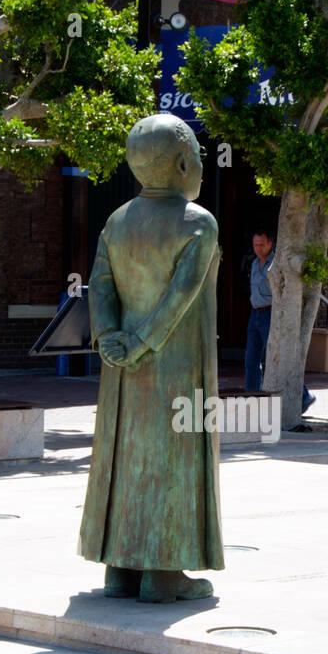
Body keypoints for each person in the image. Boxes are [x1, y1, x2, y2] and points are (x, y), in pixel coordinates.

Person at [79, 114, 223, 603]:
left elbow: (98, 285)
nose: (201, 164)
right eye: (199, 157)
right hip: (174, 364)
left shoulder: (117, 221)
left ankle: (121, 565)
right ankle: (163, 572)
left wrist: (108, 338)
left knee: (125, 454)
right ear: (184, 161)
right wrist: (141, 343)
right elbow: (180, 298)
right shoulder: (198, 222)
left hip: (121, 366)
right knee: (172, 455)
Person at [243, 229, 314, 413]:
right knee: (251, 360)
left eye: (261, 244)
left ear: (270, 244)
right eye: (255, 245)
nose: (257, 248)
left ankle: (304, 395)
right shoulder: (253, 264)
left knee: (278, 357)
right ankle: (252, 401)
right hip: (255, 314)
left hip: (270, 314)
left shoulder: (276, 264)